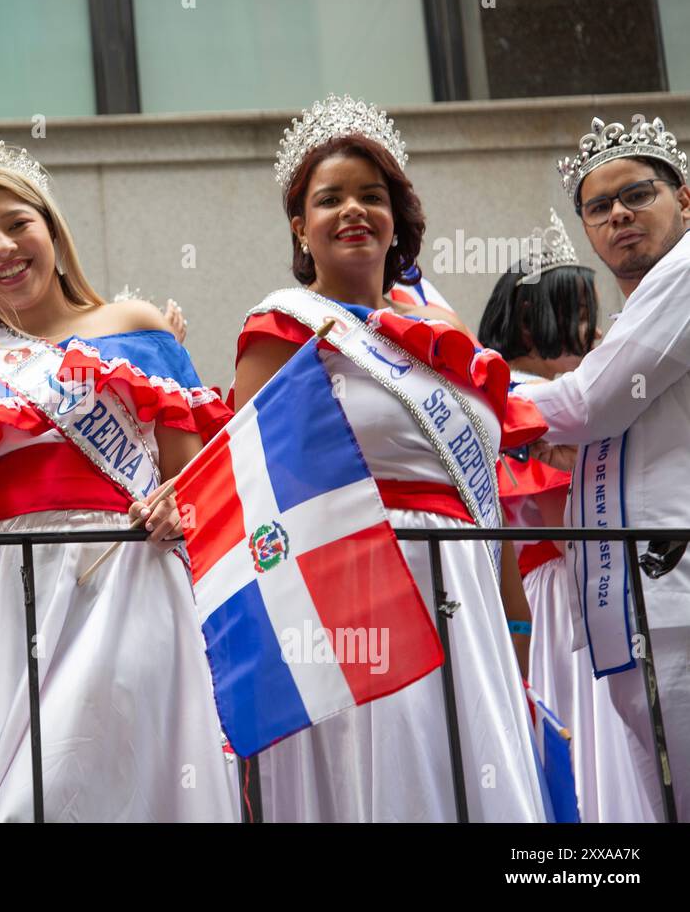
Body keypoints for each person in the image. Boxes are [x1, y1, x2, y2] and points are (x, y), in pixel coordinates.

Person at [232, 95, 546, 821]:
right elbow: (251, 491)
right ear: (299, 225)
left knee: (476, 780)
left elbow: (485, 489)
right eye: (330, 198)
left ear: (396, 217)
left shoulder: (440, 328)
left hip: (467, 590)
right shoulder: (283, 326)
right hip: (358, 591)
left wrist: (516, 623)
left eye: (372, 196)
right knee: (391, 782)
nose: (353, 211)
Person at [0, 139, 240, 821]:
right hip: (7, 609)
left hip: (134, 595)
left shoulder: (138, 329)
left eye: (17, 223)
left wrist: (180, 503)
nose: (1, 246)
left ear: (52, 229)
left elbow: (200, 481)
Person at [519, 112, 690, 820]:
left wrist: (473, 402)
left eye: (638, 194)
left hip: (677, 595)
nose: (619, 214)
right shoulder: (639, 310)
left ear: (686, 198)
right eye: (599, 207)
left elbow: (592, 403)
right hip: (643, 600)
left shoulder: (685, 274)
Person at [478, 218, 656, 822]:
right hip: (564, 591)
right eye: (578, 311)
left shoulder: (523, 400)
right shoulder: (527, 403)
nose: (594, 328)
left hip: (562, 590)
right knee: (589, 744)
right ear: (532, 322)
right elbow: (563, 518)